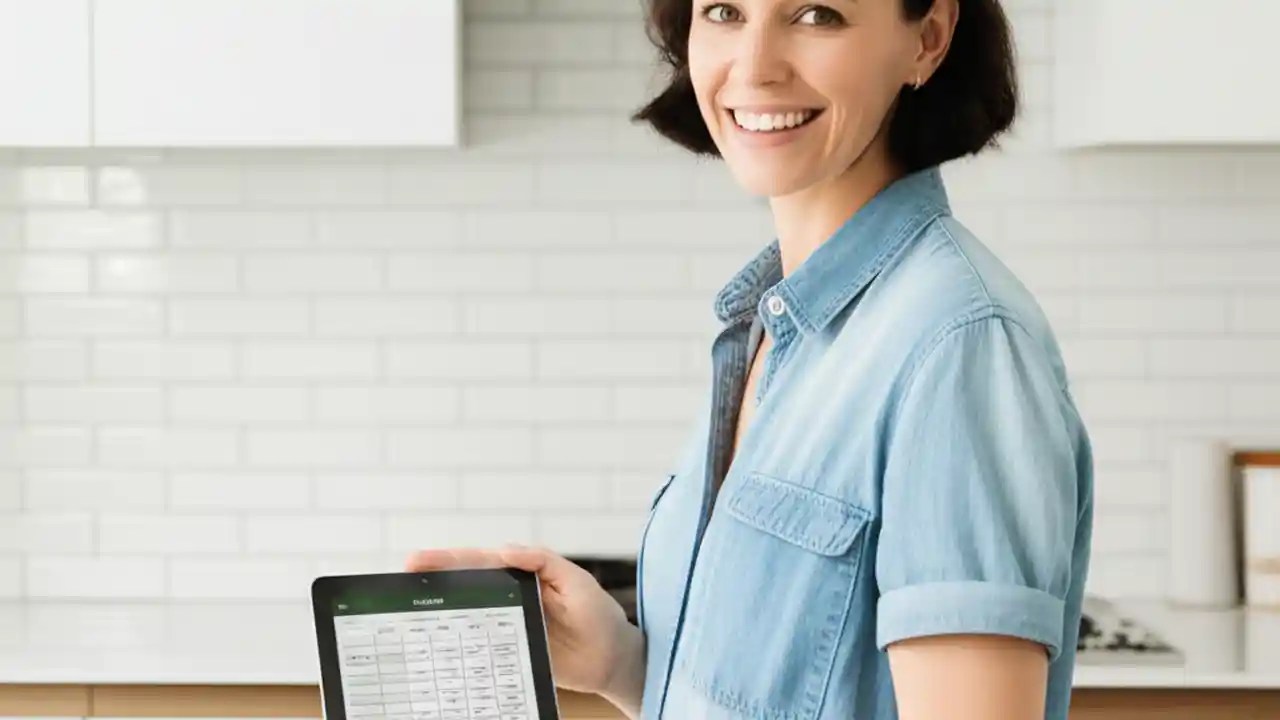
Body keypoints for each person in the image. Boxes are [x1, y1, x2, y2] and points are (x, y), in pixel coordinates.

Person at [406, 0, 1094, 717]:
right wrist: (625, 666)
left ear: (927, 38)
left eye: (817, 15)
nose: (756, 66)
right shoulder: (772, 327)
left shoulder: (957, 346)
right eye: (724, 11)